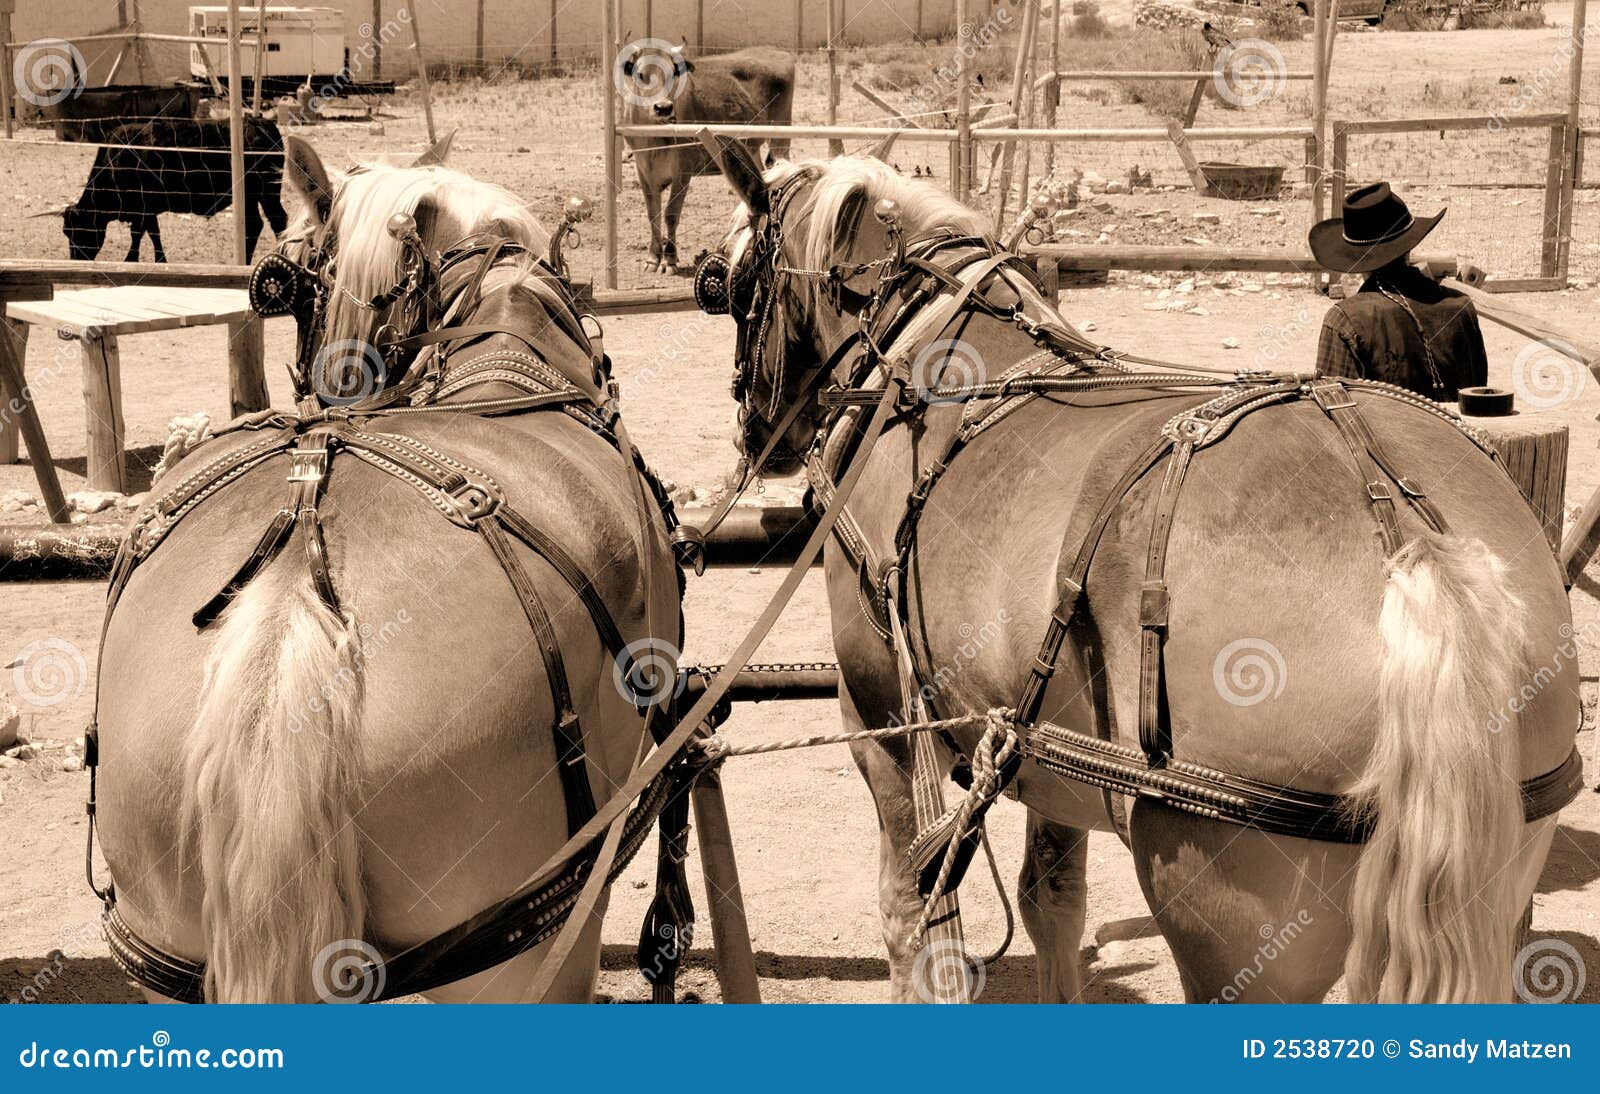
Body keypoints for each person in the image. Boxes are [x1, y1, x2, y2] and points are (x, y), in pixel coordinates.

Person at [1309, 182, 1488, 401]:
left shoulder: (1345, 320)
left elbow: (1333, 409)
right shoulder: (1461, 307)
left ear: (1354, 259)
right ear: (1409, 245)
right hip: (1458, 432)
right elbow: (1478, 396)